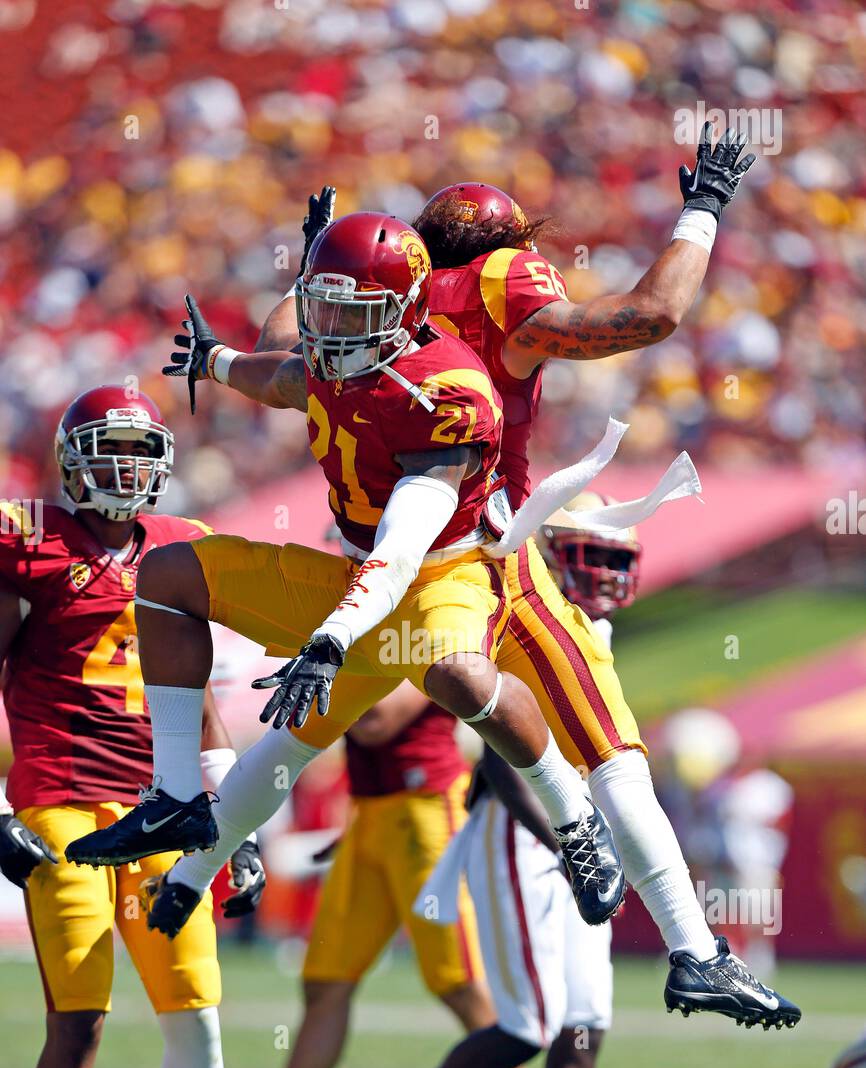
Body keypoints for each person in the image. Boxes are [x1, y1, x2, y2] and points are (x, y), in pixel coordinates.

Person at [124, 124, 802, 1028]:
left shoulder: (377, 323)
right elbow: (652, 316)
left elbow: (288, 363)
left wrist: (283, 289)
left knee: (295, 736)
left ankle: (197, 867)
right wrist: (704, 210)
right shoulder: (479, 297)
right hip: (477, 553)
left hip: (383, 561)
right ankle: (689, 944)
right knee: (607, 748)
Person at [65, 212, 627, 964]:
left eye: (349, 313)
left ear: (405, 313)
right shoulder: (341, 356)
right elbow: (286, 377)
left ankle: (574, 817)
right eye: (320, 306)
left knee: (458, 673)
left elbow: (403, 545)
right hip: (350, 571)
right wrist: (217, 360)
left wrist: (332, 637)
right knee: (167, 576)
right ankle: (173, 796)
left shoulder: (447, 390)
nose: (327, 329)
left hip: (440, 573)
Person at [341, 494, 663, 1068]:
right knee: (529, 1024)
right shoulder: (516, 615)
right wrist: (570, 844)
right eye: (599, 556)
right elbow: (501, 751)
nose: (613, 574)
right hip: (523, 836)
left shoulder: (593, 628)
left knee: (584, 1025)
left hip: (579, 845)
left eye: (622, 559)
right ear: (551, 554)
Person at [0, 386, 252, 1068]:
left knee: (199, 1016)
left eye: (139, 450)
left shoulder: (179, 545)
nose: (126, 469)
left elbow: (201, 692)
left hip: (166, 803)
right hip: (64, 802)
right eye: (107, 451)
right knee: (83, 1015)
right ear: (70, 461)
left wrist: (233, 809)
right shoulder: (33, 541)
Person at [215, 683, 542, 1068]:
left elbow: (377, 716)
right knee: (326, 983)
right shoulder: (358, 629)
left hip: (429, 812)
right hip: (370, 814)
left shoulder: (420, 623)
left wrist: (315, 679)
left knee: (465, 987)